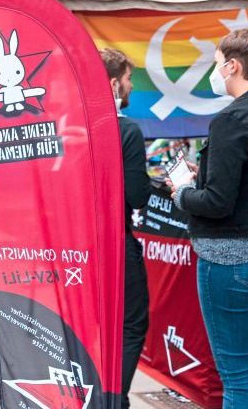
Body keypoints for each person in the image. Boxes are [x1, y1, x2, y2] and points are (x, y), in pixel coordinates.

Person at [170, 29, 248, 407]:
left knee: (238, 377)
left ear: (233, 66)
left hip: (231, 258)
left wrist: (182, 192)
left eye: (216, 62)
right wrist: (206, 175)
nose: (215, 71)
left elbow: (217, 202)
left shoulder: (233, 118)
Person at [100, 49, 150, 408]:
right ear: (113, 83)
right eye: (128, 78)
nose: (130, 85)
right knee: (130, 323)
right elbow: (136, 195)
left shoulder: (66, 127)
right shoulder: (125, 130)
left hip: (74, 245)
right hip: (115, 243)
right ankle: (114, 398)